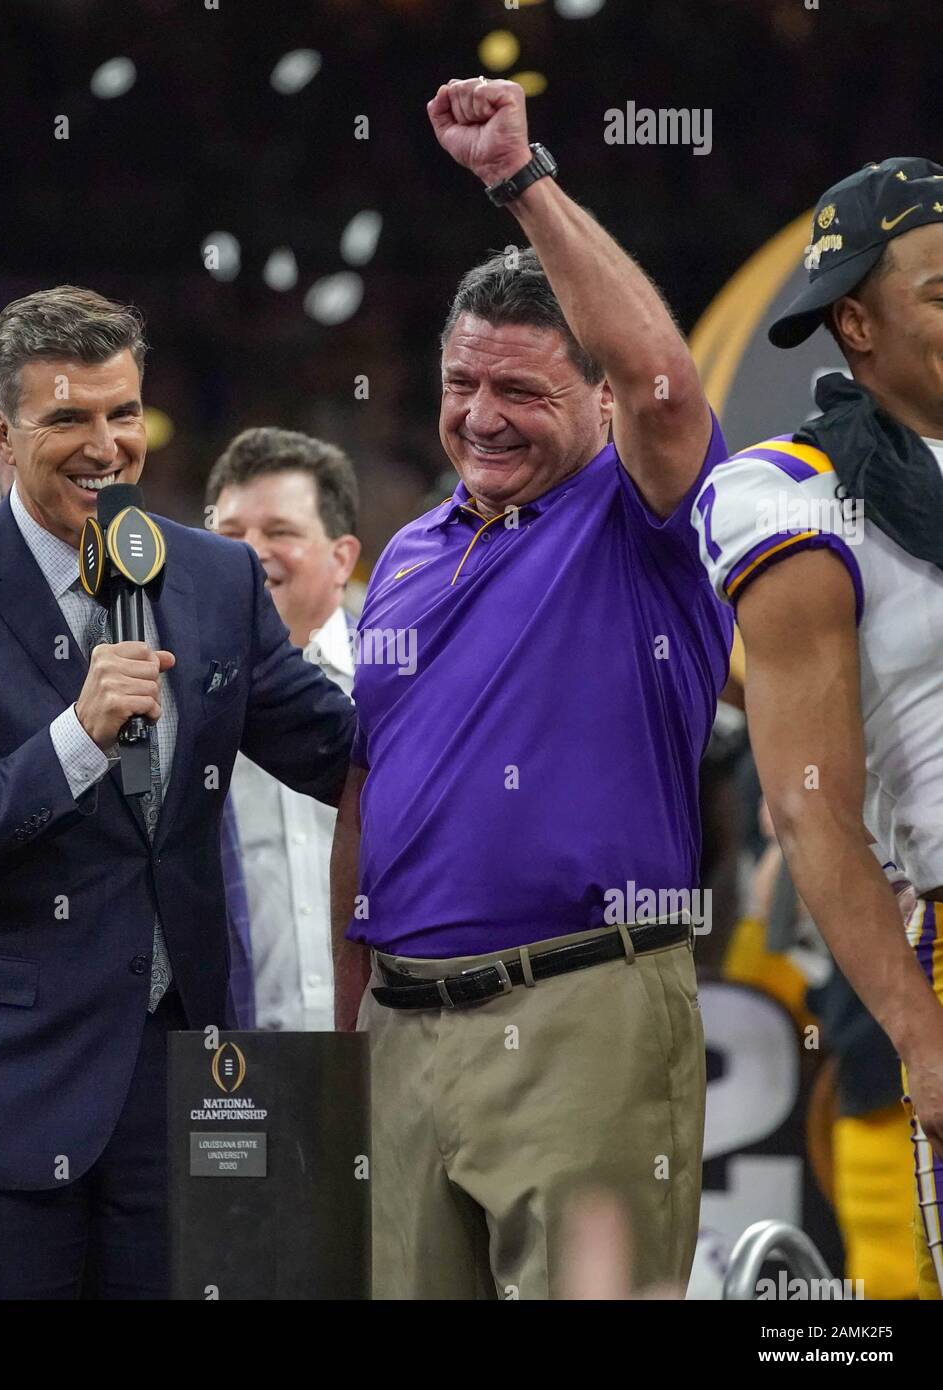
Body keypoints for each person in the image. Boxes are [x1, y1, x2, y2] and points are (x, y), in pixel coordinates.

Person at [0, 285, 356, 1299]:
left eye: (122, 413)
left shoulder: (210, 578)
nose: (105, 445)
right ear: (2, 430)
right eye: (68, 418)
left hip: (176, 1084)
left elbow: (341, 742)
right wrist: (75, 739)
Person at [331, 77, 733, 1299]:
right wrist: (353, 1019)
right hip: (401, 1025)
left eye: (523, 390)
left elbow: (664, 376)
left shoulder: (644, 514)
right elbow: (367, 794)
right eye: (464, 384)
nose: (483, 416)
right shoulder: (404, 553)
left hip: (585, 1012)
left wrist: (520, 178)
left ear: (598, 399)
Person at [691, 157, 943, 1300]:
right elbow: (807, 799)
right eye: (939, 291)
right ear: (855, 319)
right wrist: (922, 1038)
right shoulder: (792, 495)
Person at [208, 427, 361, 1031]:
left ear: (342, 558)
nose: (248, 554)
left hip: (392, 1053)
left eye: (279, 533)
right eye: (228, 536)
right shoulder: (172, 701)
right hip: (235, 1067)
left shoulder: (407, 679)